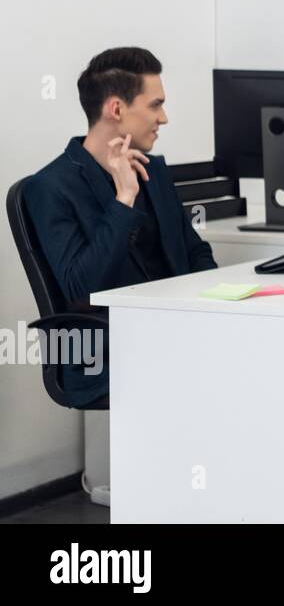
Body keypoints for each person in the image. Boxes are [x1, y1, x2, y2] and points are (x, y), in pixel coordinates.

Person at [25, 47, 218, 406]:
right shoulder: (50, 188)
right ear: (116, 109)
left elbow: (194, 252)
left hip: (170, 331)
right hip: (104, 349)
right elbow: (83, 291)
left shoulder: (154, 170)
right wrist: (124, 198)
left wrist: (216, 308)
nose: (164, 118)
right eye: (155, 105)